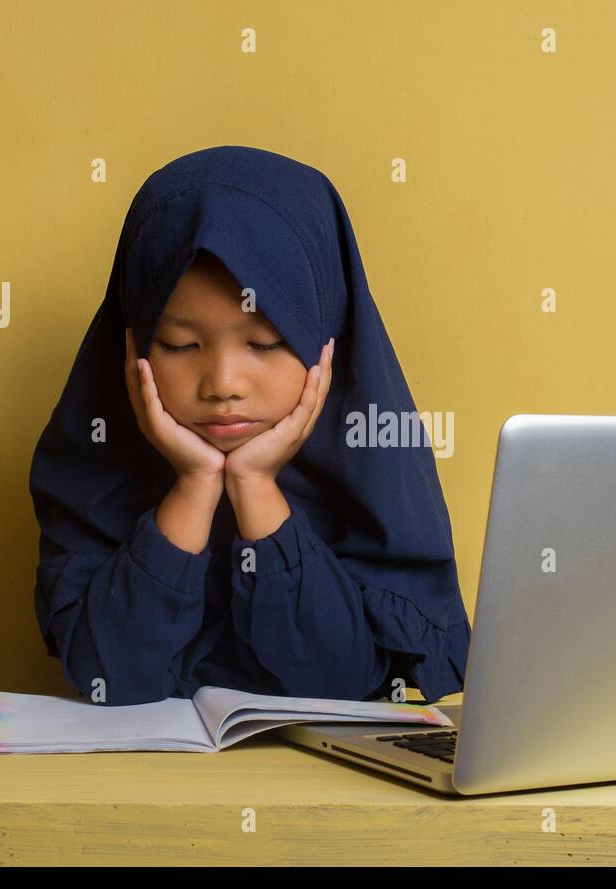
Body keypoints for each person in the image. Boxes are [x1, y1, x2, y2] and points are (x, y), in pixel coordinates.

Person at [28, 145, 470, 706]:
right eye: (180, 344)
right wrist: (194, 486)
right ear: (132, 342)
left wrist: (256, 488)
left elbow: (340, 685)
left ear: (326, 341)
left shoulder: (375, 467)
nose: (223, 383)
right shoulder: (93, 466)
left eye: (264, 343)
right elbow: (108, 678)